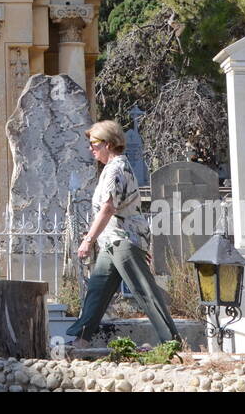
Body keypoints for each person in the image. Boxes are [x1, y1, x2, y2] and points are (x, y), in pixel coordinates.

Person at [66, 120, 180, 350]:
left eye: (94, 144)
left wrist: (88, 240)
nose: (91, 148)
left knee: (145, 292)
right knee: (97, 292)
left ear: (107, 144)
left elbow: (108, 208)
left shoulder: (116, 169)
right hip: (113, 240)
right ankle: (81, 340)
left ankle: (172, 342)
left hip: (123, 240)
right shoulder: (113, 168)